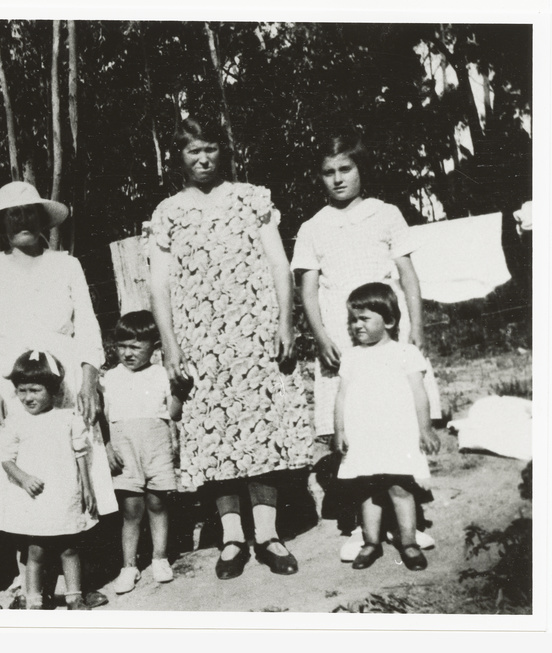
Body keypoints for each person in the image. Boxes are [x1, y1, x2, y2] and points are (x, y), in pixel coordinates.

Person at [148, 115, 313, 580]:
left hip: (254, 334)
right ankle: (233, 537)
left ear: (223, 151)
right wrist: (171, 347)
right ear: (179, 157)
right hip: (199, 342)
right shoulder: (168, 213)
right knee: (215, 432)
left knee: (259, 428)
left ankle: (268, 535)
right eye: (193, 151)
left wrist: (285, 323)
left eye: (210, 149)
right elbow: (159, 286)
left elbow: (279, 264)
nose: (203, 159)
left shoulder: (251, 198)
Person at [0, 181, 116, 606]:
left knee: (68, 471)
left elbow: (88, 326)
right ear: (0, 225)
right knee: (20, 475)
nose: (22, 221)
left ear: (43, 218)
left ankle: (74, 582)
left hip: (63, 386)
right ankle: (28, 583)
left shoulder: (67, 265)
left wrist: (89, 380)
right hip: (9, 388)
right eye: (13, 215)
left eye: (29, 212)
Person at [291, 130, 437, 558]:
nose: (337, 179)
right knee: (353, 423)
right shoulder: (312, 227)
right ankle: (362, 524)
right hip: (343, 334)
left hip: (388, 328)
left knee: (396, 418)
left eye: (346, 169)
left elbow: (407, 275)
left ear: (361, 170)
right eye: (328, 172)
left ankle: (408, 522)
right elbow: (308, 290)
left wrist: (417, 326)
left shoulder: (386, 214)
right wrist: (321, 337)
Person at [333, 283, 440, 571]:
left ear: (389, 321)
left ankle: (409, 543)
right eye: (353, 320)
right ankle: (370, 543)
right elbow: (342, 397)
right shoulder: (351, 356)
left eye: (364, 319)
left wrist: (425, 429)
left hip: (397, 435)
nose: (357, 325)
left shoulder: (406, 352)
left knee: (400, 488)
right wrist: (340, 431)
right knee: (367, 491)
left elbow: (419, 394)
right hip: (364, 436)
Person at [0, 351, 99, 610]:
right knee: (36, 550)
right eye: (22, 391)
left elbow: (80, 454)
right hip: (36, 498)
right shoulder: (16, 422)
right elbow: (6, 459)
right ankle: (34, 600)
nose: (28, 397)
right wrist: (24, 479)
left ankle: (74, 596)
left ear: (52, 389)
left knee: (69, 548)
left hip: (64, 494)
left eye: (35, 390)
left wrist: (87, 489)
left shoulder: (67, 418)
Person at [103, 310, 182, 594]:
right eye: (122, 346)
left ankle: (160, 558)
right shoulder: (110, 378)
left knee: (157, 503)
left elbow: (174, 413)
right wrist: (107, 447)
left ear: (154, 347)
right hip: (125, 448)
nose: (127, 353)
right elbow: (103, 418)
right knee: (131, 509)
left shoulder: (161, 374)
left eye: (135, 347)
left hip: (156, 445)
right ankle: (129, 566)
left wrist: (179, 392)